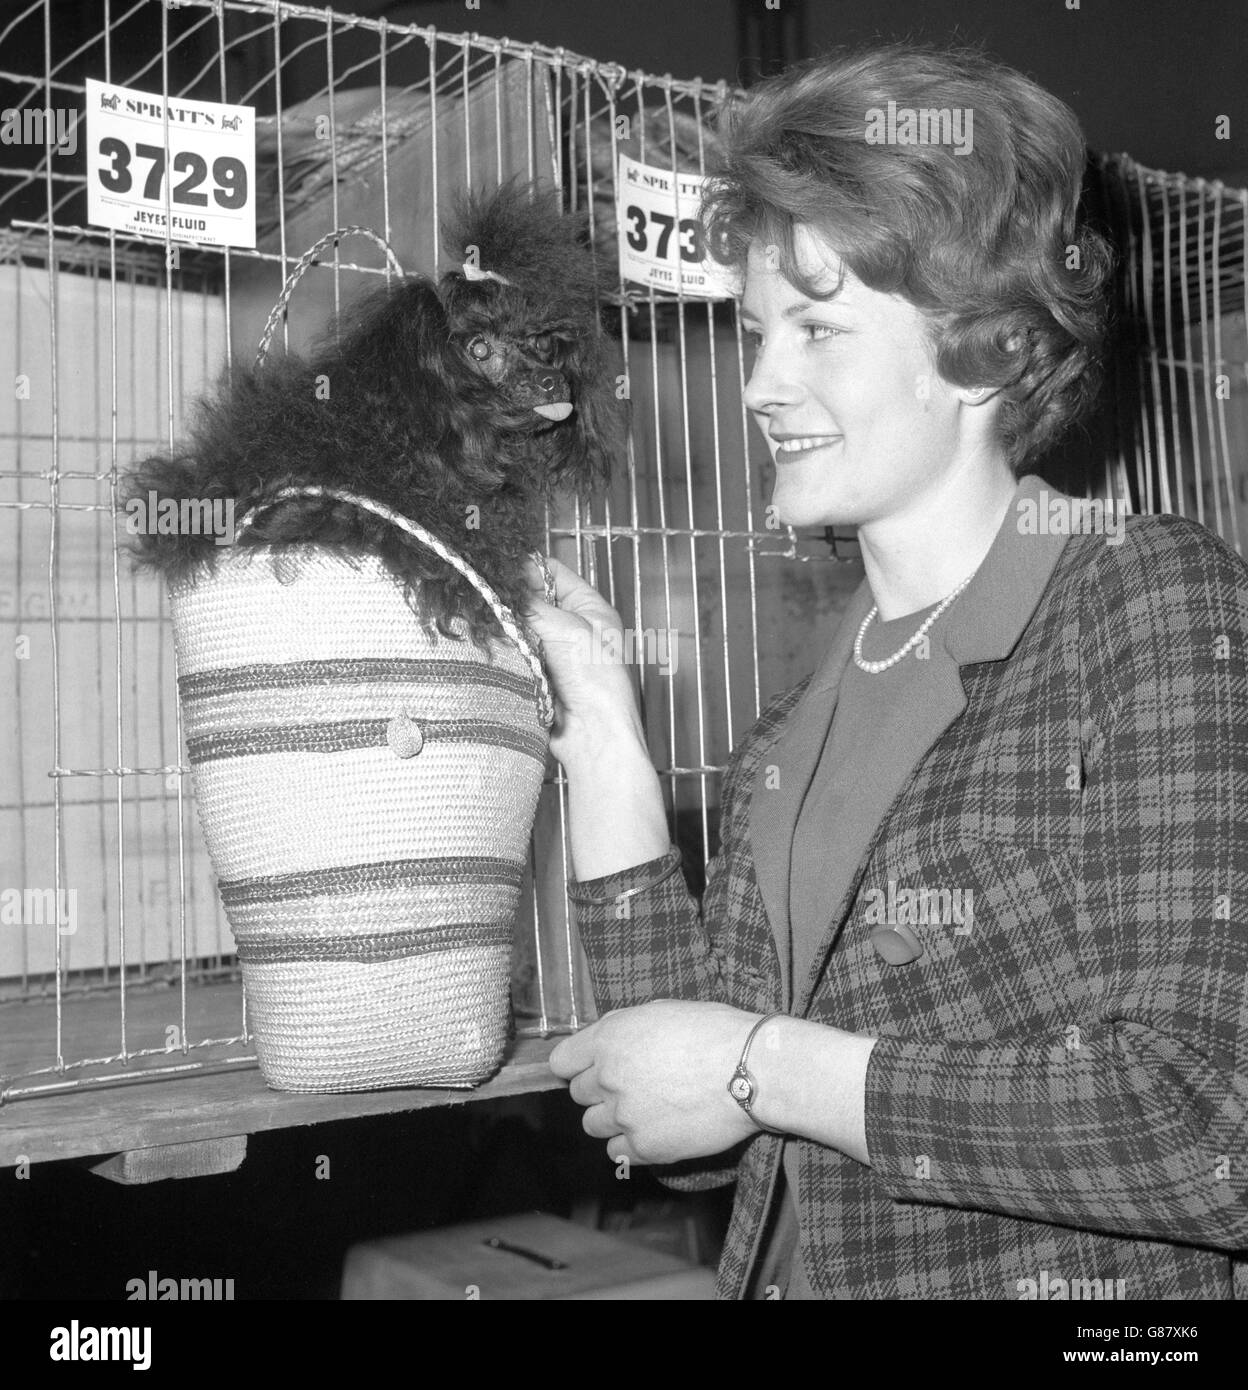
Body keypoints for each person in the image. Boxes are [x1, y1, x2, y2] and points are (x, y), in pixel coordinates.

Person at [521, 42, 1248, 1299]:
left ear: (986, 349)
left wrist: (766, 1064)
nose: (763, 385)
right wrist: (600, 729)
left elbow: (1206, 1129)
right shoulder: (793, 728)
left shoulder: (1141, 599)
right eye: (757, 333)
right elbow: (689, 1129)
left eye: (819, 330)